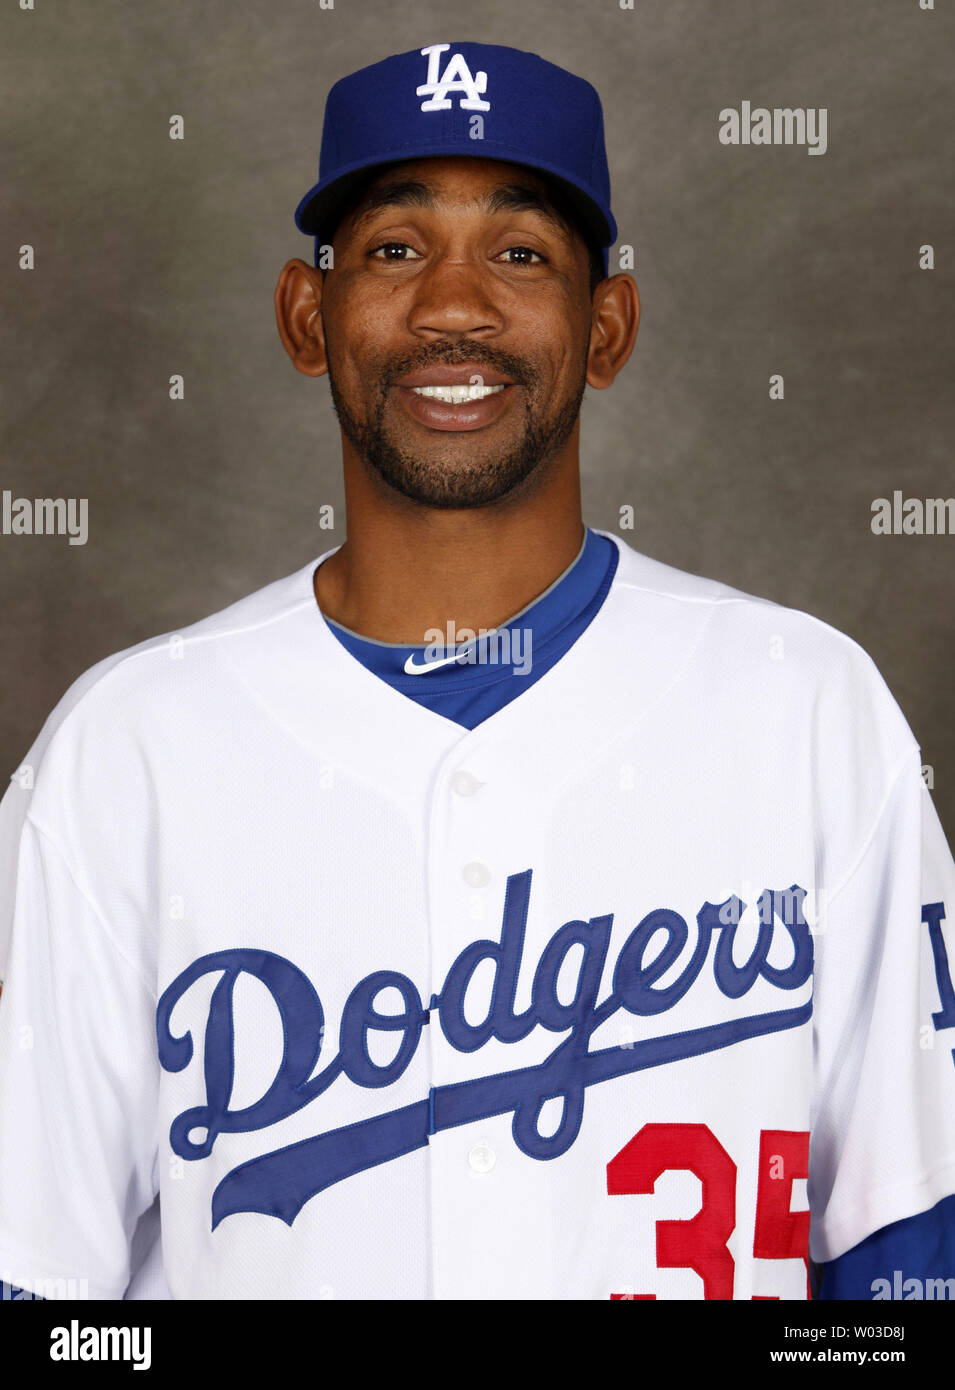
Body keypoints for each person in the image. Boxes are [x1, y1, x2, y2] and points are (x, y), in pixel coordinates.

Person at [0, 40, 953, 1301]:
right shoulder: (126, 750)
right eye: (394, 249)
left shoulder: (805, 704)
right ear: (306, 313)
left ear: (606, 327)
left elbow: (907, 1255)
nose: (455, 307)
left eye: (519, 254)